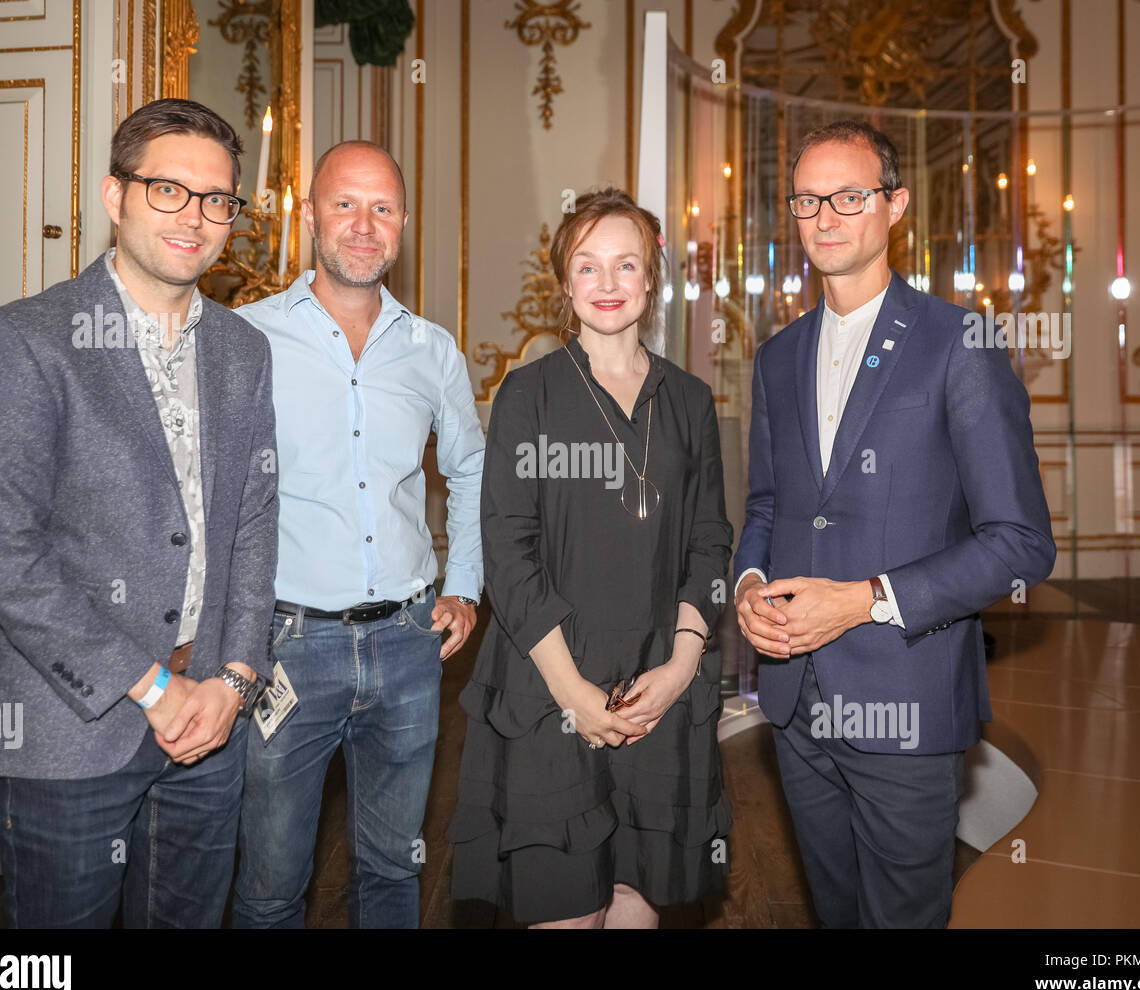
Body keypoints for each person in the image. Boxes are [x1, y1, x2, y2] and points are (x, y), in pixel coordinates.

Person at [0, 98, 277, 928]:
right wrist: (151, 686)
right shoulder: (26, 340)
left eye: (216, 200)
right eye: (168, 189)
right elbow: (1, 552)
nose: (195, 218)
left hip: (209, 720)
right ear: (113, 194)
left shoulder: (244, 350)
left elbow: (253, 521)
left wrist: (233, 682)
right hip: (72, 726)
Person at [733, 120, 1056, 928]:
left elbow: (1021, 545)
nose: (826, 216)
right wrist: (747, 583)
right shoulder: (777, 357)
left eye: (850, 195)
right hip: (795, 698)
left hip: (907, 700)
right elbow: (768, 505)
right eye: (808, 200)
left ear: (895, 205)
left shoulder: (960, 343)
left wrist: (865, 599)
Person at [448, 187, 733, 928]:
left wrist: (678, 670)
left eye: (626, 265)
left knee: (639, 895)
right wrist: (574, 693)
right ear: (565, 286)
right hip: (549, 692)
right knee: (567, 905)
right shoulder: (528, 396)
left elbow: (709, 543)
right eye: (588, 267)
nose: (608, 285)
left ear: (651, 280)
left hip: (659, 685)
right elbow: (506, 552)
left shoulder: (692, 402)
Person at [231, 140, 485, 929]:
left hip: (412, 646)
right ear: (310, 217)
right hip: (288, 648)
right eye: (345, 204)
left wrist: (465, 587)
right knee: (271, 888)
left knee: (392, 871)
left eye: (382, 208)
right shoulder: (245, 338)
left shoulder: (431, 350)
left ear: (403, 223)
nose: (363, 225)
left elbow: (472, 472)